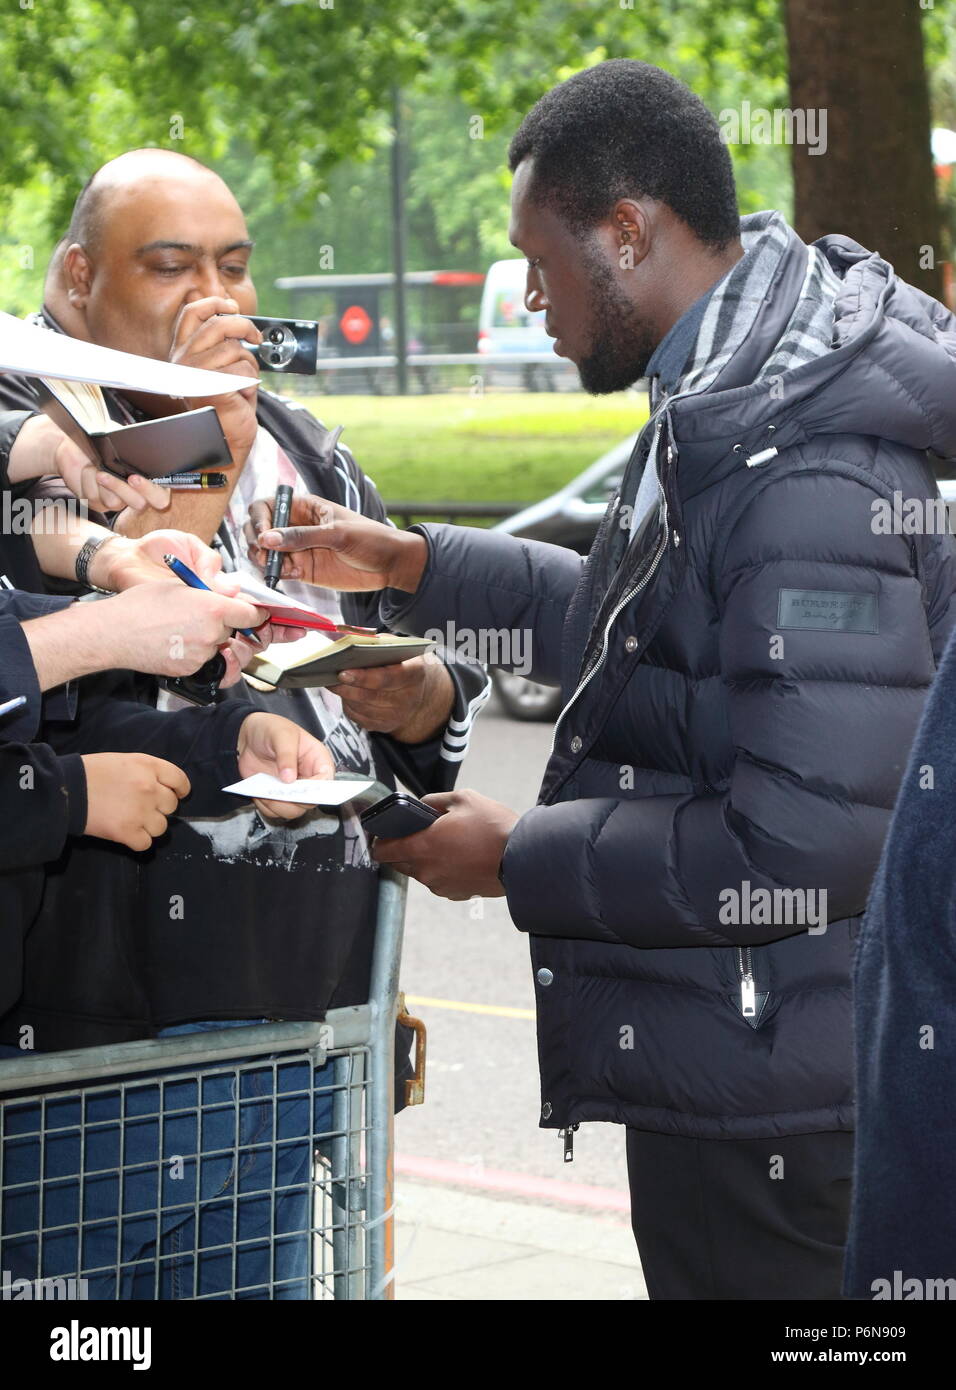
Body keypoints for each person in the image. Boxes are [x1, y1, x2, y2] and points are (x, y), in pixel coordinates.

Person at [248, 59, 956, 1300]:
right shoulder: (734, 390)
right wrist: (413, 565)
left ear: (626, 233)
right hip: (746, 1066)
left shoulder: (800, 470)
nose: (531, 298)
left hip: (781, 1120)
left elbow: (803, 842)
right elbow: (640, 630)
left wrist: (514, 857)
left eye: (539, 260)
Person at [0, 148, 489, 1050]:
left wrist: (417, 700)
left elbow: (408, 689)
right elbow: (69, 675)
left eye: (233, 267)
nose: (214, 300)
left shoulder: (308, 450)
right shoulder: (29, 427)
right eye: (172, 267)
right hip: (107, 1024)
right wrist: (202, 451)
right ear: (78, 277)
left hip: (321, 992)